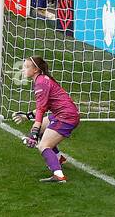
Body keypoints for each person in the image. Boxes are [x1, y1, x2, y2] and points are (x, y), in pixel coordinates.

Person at [11, 55, 76, 183]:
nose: (23, 70)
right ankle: (58, 158)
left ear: (35, 70)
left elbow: (41, 109)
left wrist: (34, 131)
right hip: (62, 113)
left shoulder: (41, 83)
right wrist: (27, 116)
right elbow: (43, 107)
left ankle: (59, 176)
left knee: (43, 145)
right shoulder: (42, 80)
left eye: (26, 67)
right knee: (40, 131)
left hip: (65, 117)